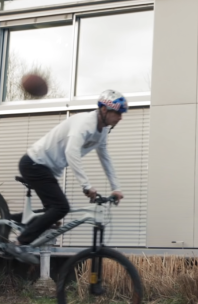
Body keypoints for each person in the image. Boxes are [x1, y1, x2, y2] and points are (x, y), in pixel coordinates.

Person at [10, 89, 127, 261]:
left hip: (46, 169)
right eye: (117, 113)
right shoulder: (85, 123)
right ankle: (19, 244)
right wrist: (86, 185)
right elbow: (71, 152)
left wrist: (116, 187)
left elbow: (105, 158)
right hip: (35, 163)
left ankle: (6, 219)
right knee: (60, 208)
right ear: (104, 110)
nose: (120, 117)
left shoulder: (101, 132)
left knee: (52, 215)